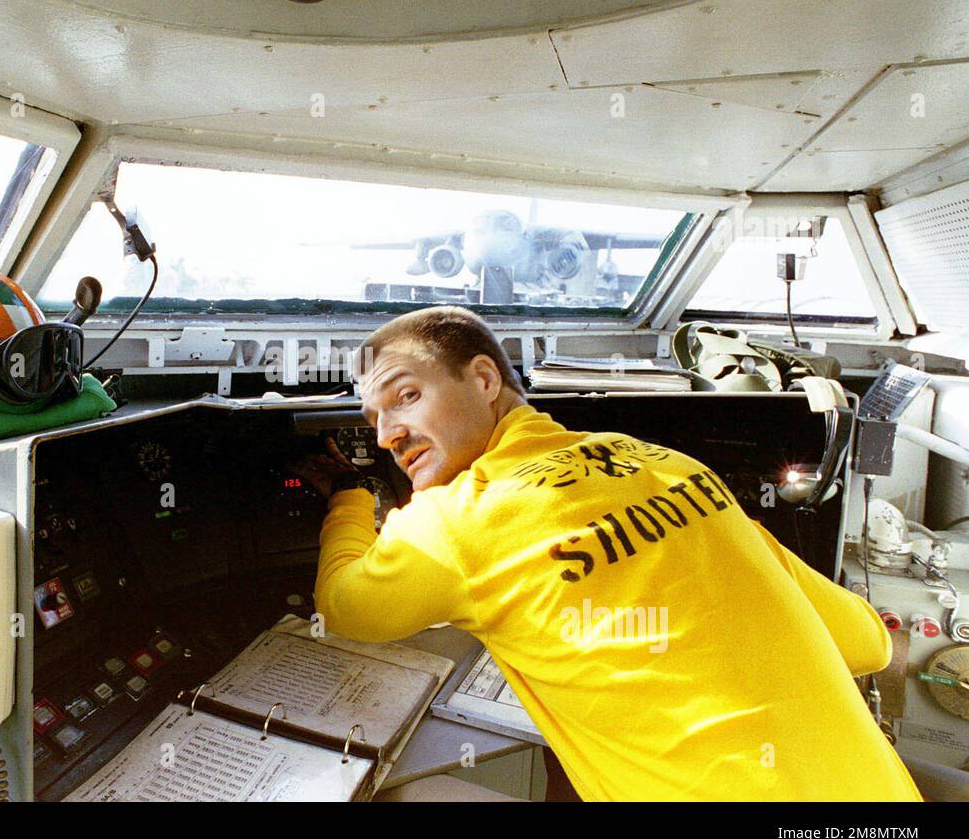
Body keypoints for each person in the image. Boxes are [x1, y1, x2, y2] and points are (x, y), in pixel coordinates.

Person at [291, 305, 921, 801]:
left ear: (484, 379)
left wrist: (349, 498)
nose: (385, 434)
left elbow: (346, 608)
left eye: (403, 397)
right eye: (372, 417)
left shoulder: (452, 521)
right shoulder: (674, 468)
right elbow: (868, 644)